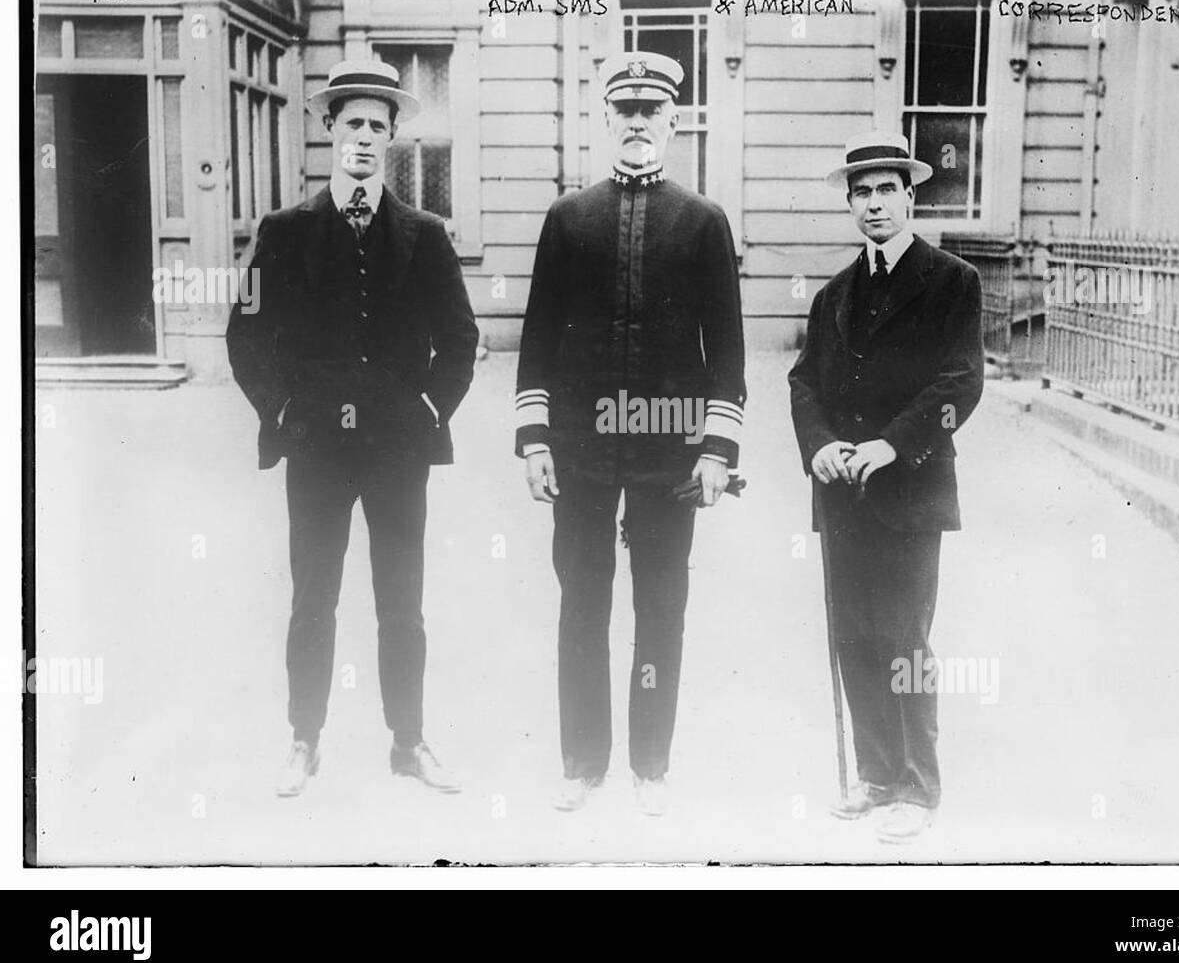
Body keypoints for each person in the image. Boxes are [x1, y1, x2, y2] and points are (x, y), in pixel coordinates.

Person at [227, 60, 479, 798]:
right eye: (352, 123)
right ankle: (303, 740)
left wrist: (429, 411)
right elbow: (246, 336)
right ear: (329, 129)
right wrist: (282, 413)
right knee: (313, 599)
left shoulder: (425, 234)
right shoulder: (285, 231)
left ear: (394, 136)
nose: (364, 138)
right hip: (317, 453)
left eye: (378, 125)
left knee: (402, 603)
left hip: (398, 454)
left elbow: (460, 340)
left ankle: (409, 741)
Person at [515, 51, 746, 816]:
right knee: (581, 602)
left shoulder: (703, 221)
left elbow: (729, 352)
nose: (639, 122)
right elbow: (538, 337)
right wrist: (537, 440)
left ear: (674, 121)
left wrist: (717, 448)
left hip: (668, 451)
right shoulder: (568, 219)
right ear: (606, 119)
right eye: (626, 111)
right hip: (580, 451)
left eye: (653, 111)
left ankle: (651, 765)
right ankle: (582, 763)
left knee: (661, 604)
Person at [788, 130, 984, 843]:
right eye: (861, 192)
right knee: (854, 636)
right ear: (851, 203)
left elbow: (959, 383)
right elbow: (804, 381)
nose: (874, 204)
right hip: (841, 493)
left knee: (903, 639)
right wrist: (821, 448)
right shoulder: (835, 293)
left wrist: (889, 445)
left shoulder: (951, 282)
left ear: (910, 195)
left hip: (910, 492)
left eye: (886, 190)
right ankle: (875, 776)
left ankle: (917, 788)